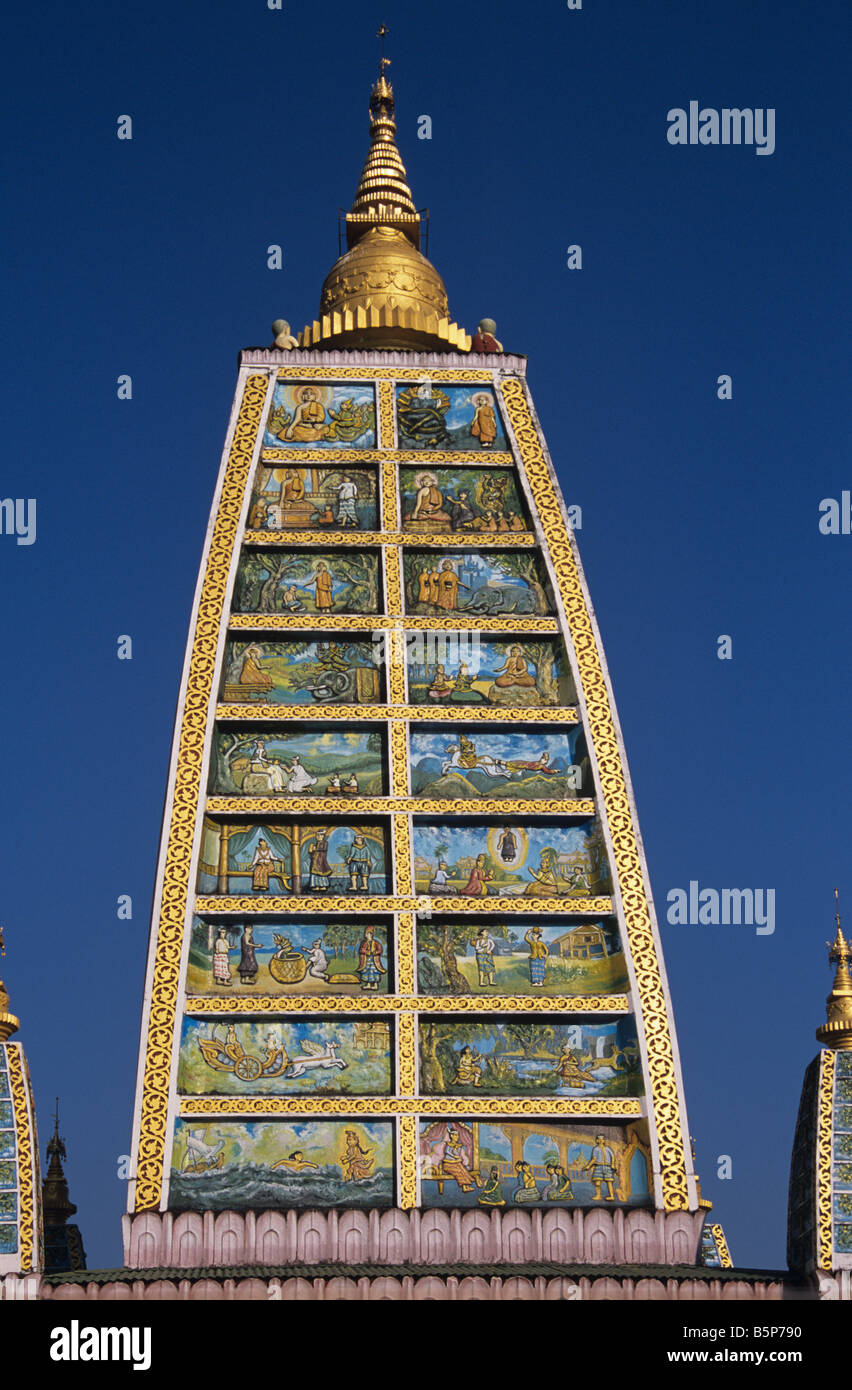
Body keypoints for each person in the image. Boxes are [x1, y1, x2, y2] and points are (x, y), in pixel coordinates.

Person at [440, 1127, 480, 1192]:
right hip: (448, 1165)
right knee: (458, 1172)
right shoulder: (448, 1145)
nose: (457, 1137)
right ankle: (464, 1186)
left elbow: (459, 1155)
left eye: (457, 1135)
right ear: (451, 1136)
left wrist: (458, 1158)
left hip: (456, 1163)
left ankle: (468, 1185)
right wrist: (455, 1157)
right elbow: (448, 1152)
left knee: (462, 1170)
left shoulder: (459, 1146)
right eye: (455, 1135)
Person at [586, 1135, 617, 1201]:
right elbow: (594, 1159)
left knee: (609, 1182)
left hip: (607, 1167)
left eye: (602, 1139)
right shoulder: (595, 1149)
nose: (600, 1140)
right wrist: (589, 1165)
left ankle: (611, 1196)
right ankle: (598, 1195)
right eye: (599, 1139)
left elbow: (613, 1156)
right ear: (597, 1140)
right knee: (597, 1182)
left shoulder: (607, 1148)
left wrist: (613, 1164)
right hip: (598, 1167)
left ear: (604, 1141)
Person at [357, 924, 386, 991]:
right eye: (366, 934)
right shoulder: (364, 943)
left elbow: (380, 950)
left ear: (370, 934)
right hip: (366, 960)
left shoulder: (376, 943)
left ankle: (375, 985)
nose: (366, 935)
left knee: (374, 972)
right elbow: (361, 950)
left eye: (367, 934)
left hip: (374, 961)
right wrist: (367, 952)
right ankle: (368, 984)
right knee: (367, 971)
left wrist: (374, 952)